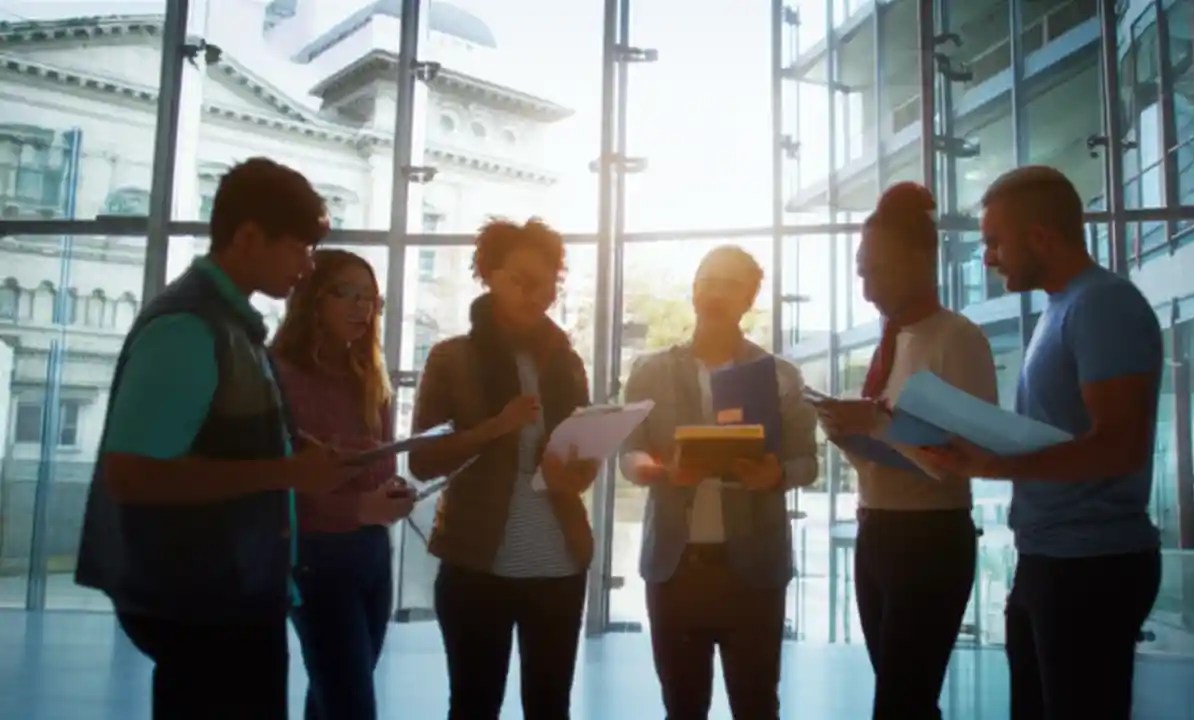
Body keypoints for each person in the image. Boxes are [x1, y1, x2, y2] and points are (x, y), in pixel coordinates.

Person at [76, 157, 352, 720]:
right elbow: (131, 474)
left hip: (232, 596)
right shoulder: (187, 328)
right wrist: (284, 472)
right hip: (203, 604)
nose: (306, 268)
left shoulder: (234, 326)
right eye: (298, 249)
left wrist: (295, 455)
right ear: (249, 237)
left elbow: (227, 437)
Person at [922, 165, 1164, 719]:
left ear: (1039, 237)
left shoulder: (1103, 305)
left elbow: (1119, 446)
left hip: (1092, 568)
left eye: (994, 242)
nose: (988, 258)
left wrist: (993, 464)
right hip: (1050, 559)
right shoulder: (1062, 308)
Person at [817, 183, 997, 719]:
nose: (867, 289)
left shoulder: (956, 339)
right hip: (879, 529)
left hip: (929, 537)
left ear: (921, 261)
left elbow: (965, 456)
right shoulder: (894, 341)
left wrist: (874, 422)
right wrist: (851, 436)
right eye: (861, 272)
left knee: (901, 700)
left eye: (877, 271)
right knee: (905, 698)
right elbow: (894, 453)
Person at [408, 218, 599, 720]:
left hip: (559, 559)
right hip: (475, 560)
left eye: (548, 282)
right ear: (489, 275)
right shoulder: (453, 358)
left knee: (550, 706)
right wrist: (495, 427)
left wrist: (578, 467)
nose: (536, 293)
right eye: (521, 279)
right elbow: (422, 459)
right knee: (474, 704)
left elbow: (584, 465)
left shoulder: (567, 362)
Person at [620, 245, 819, 720]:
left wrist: (777, 475)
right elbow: (628, 453)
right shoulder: (650, 371)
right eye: (708, 280)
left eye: (731, 284)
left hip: (752, 568)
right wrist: (656, 470)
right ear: (693, 290)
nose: (715, 292)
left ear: (750, 298)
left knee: (756, 704)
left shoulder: (781, 376)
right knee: (682, 705)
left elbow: (808, 463)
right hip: (675, 566)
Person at [272, 249, 415, 720]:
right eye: (346, 294)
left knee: (333, 695)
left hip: (372, 553)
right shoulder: (278, 375)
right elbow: (276, 485)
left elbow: (381, 457)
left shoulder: (368, 373)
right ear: (312, 298)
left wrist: (392, 490)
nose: (361, 308)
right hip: (315, 559)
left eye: (370, 298)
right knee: (351, 703)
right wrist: (358, 508)